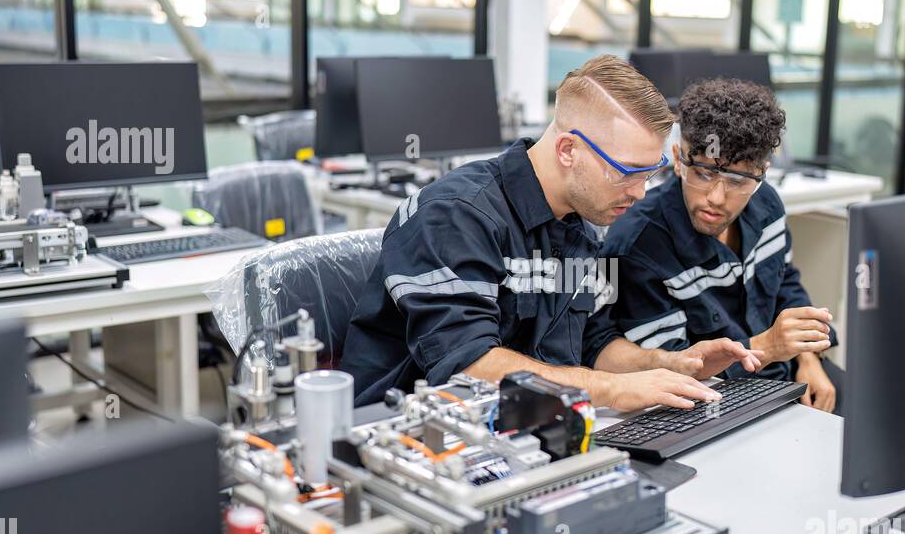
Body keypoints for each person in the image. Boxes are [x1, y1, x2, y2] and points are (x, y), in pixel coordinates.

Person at [344, 55, 758, 408]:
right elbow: (467, 367)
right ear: (567, 151)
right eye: (627, 172)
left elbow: (594, 342)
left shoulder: (587, 222)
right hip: (409, 437)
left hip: (527, 424)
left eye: (650, 173)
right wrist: (613, 390)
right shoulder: (455, 216)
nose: (639, 191)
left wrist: (666, 366)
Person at [592, 77, 842, 413]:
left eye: (739, 181)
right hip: (711, 400)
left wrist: (808, 358)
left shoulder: (767, 205)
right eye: (704, 174)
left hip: (787, 374)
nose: (716, 198)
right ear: (678, 159)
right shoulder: (637, 245)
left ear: (762, 173)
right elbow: (674, 367)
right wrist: (767, 347)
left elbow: (785, 284)